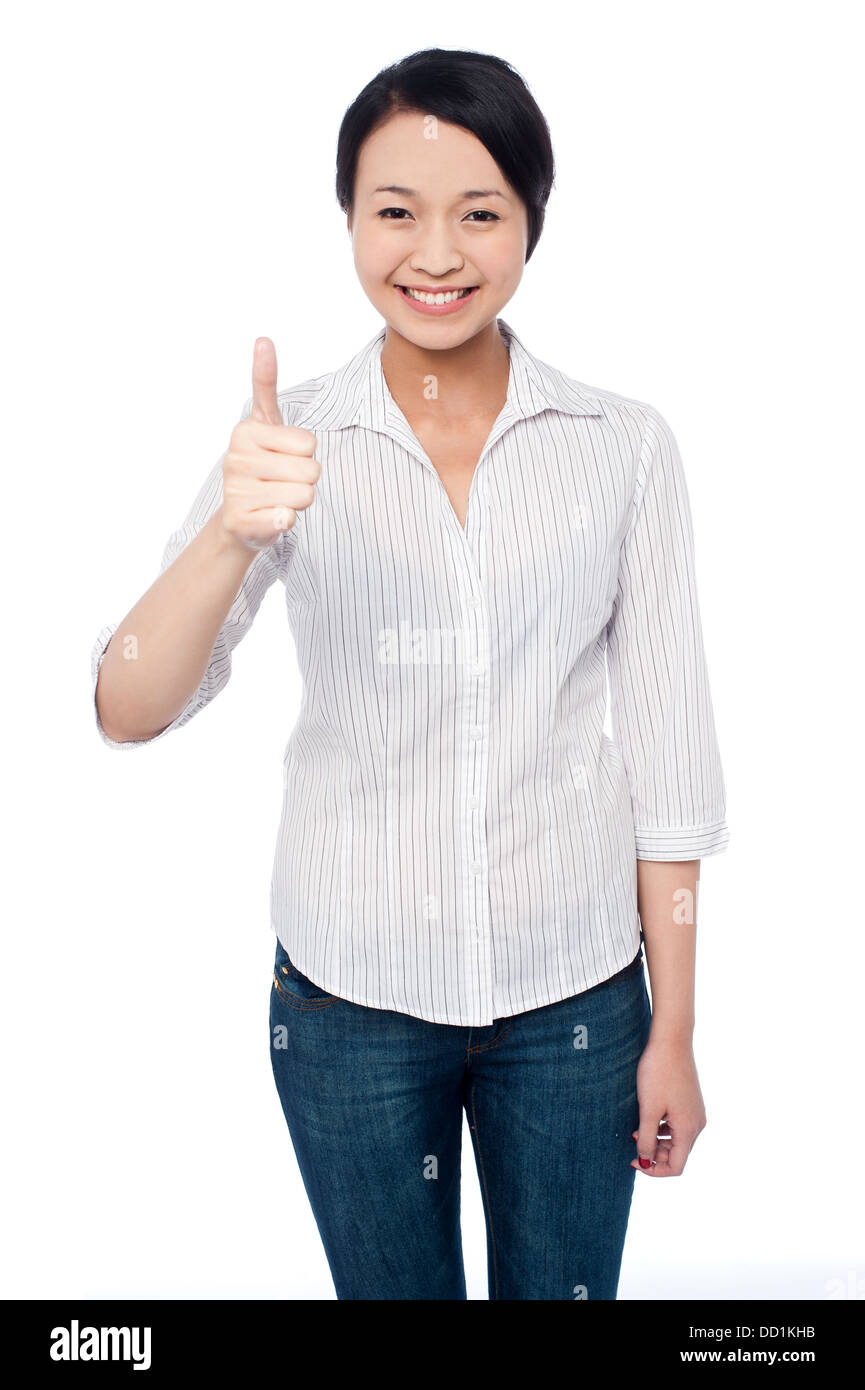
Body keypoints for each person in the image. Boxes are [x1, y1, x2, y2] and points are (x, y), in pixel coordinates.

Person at [91, 48, 729, 1300]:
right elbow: (126, 706)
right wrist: (232, 530)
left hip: (575, 1003)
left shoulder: (624, 449)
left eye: (478, 212)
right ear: (348, 222)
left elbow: (670, 769)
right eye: (394, 212)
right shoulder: (291, 446)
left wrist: (674, 1028)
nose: (434, 253)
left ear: (530, 224)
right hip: (349, 1006)